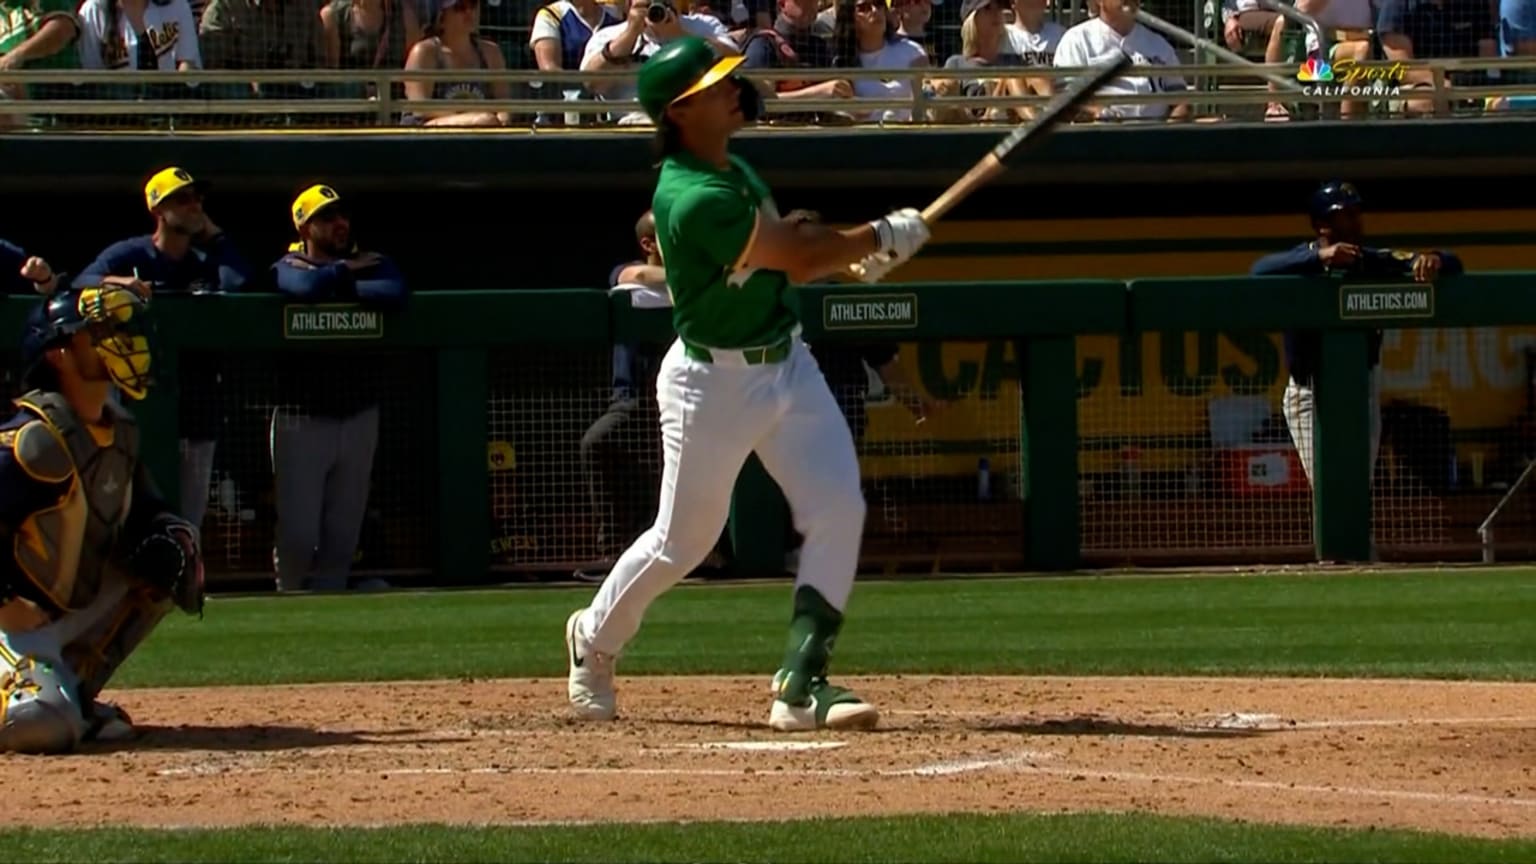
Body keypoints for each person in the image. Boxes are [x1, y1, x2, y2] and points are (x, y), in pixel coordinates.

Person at [563, 35, 929, 732]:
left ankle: (801, 680)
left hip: (787, 361)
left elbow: (786, 249)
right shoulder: (691, 195)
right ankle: (594, 640)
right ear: (678, 112)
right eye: (715, 86)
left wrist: (845, 254)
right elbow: (791, 256)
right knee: (683, 542)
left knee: (837, 509)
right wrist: (875, 235)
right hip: (711, 383)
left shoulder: (735, 171)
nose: (734, 89)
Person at [0, 282, 205, 753]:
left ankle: (71, 688)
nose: (119, 340)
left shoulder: (118, 434)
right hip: (11, 620)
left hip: (53, 615)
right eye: (98, 333)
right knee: (39, 727)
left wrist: (167, 536)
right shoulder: (33, 439)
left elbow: (148, 518)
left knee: (172, 548)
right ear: (60, 355)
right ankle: (45, 697)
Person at [75, 166, 253, 543]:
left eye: (197, 198)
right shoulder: (131, 253)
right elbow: (80, 282)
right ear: (158, 209)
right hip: (141, 409)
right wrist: (118, 282)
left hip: (197, 406)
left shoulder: (204, 261)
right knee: (126, 520)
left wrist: (217, 236)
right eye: (184, 199)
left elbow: (240, 286)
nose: (195, 205)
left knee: (187, 525)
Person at [1249, 180, 1464, 489]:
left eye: (1355, 212)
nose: (1354, 220)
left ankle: (1358, 540)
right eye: (1344, 214)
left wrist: (1434, 258)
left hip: (1360, 388)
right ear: (1322, 225)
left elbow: (1450, 262)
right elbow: (1258, 270)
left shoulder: (1370, 261)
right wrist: (1319, 259)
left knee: (1357, 488)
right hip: (1310, 392)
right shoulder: (1301, 261)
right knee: (1328, 486)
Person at [270, 184, 406, 592]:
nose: (339, 224)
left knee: (342, 534)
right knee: (297, 534)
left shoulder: (375, 261)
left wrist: (340, 282)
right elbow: (303, 288)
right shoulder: (289, 263)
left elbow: (396, 293)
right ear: (305, 226)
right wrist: (347, 274)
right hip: (302, 418)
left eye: (342, 215)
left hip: (359, 414)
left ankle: (325, 611)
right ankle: (286, 605)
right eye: (327, 218)